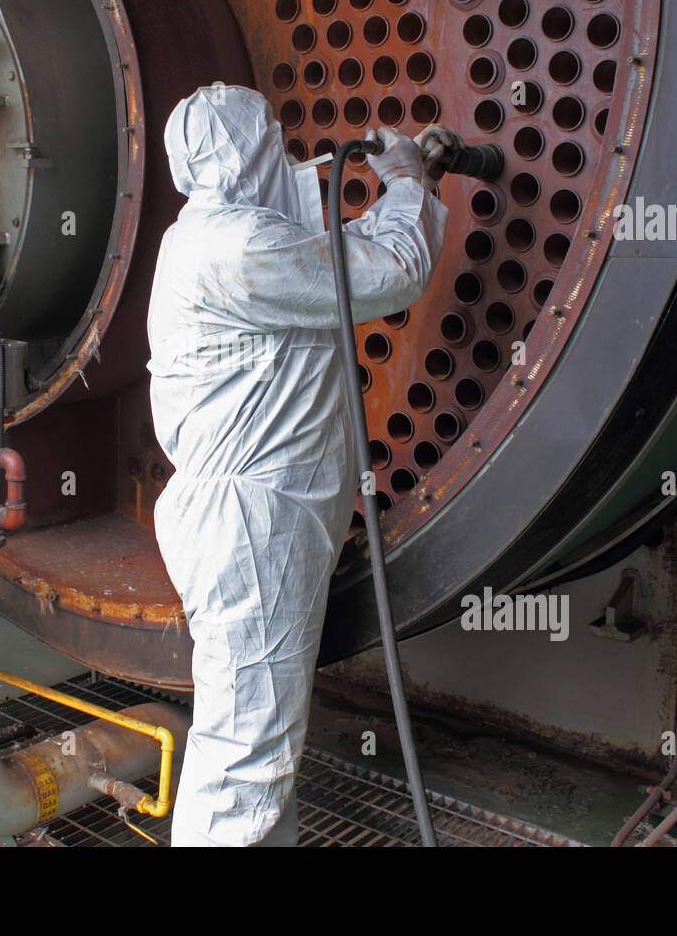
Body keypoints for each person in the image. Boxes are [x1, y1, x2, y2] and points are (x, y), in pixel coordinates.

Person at [146, 84, 453, 846]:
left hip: (248, 521)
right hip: (252, 528)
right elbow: (387, 271)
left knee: (256, 747)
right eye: (275, 147)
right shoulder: (239, 248)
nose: (289, 159)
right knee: (247, 757)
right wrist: (409, 177)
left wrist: (406, 184)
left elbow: (326, 260)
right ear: (254, 155)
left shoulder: (207, 235)